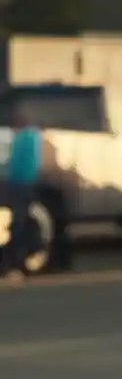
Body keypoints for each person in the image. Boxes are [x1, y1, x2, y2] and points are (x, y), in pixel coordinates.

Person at [2, 105, 44, 277]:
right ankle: (19, 261)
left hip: (16, 185)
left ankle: (14, 262)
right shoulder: (33, 136)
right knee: (20, 222)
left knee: (17, 224)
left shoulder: (21, 138)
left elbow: (13, 166)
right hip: (25, 184)